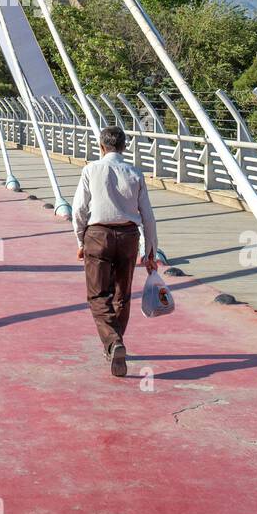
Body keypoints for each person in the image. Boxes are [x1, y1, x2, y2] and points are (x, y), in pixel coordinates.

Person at [71, 124, 157, 377]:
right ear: (124, 147)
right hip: (129, 236)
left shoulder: (90, 170)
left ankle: (113, 342)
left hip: (98, 236)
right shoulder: (135, 173)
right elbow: (148, 216)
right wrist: (150, 251)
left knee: (98, 295)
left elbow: (78, 210)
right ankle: (115, 343)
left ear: (101, 146)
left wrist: (80, 242)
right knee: (123, 294)